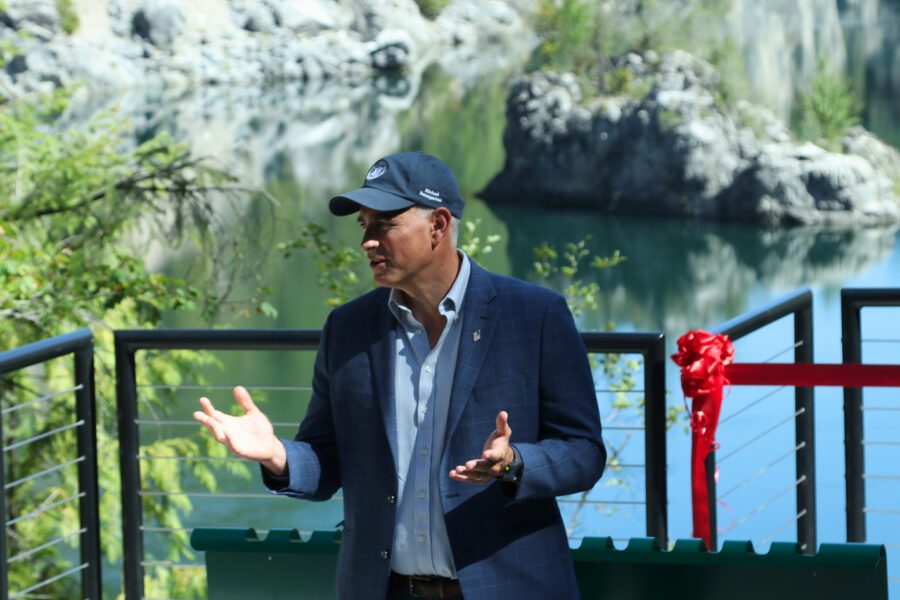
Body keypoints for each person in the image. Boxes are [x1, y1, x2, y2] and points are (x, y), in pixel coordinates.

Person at [194, 151, 606, 599]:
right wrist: (277, 455)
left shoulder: (535, 316)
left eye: (384, 224)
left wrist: (515, 465)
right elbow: (325, 459)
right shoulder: (348, 329)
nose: (367, 241)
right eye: (364, 225)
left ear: (438, 225)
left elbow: (583, 453)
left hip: (510, 587)